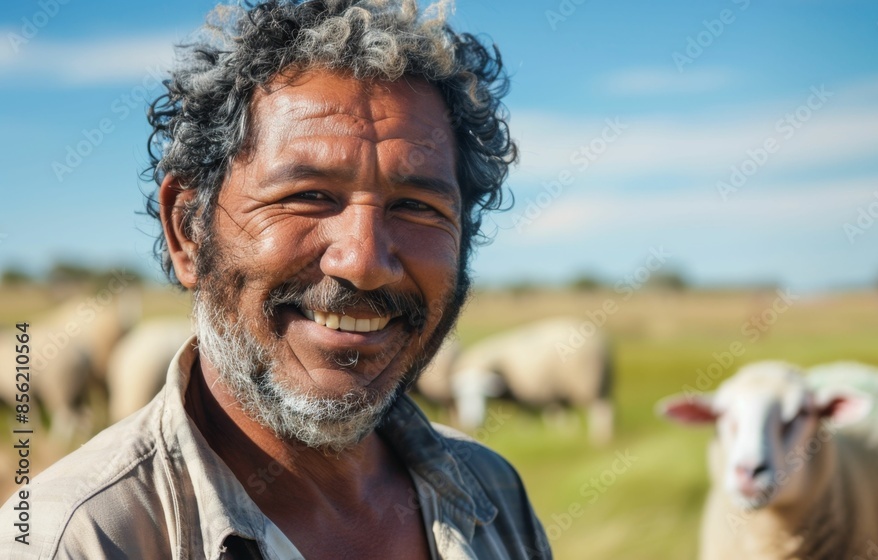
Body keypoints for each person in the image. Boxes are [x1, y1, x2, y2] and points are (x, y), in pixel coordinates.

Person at [0, 1, 551, 558]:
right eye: (308, 196)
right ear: (188, 230)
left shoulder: (493, 494)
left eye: (416, 206)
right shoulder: (76, 538)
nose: (362, 261)